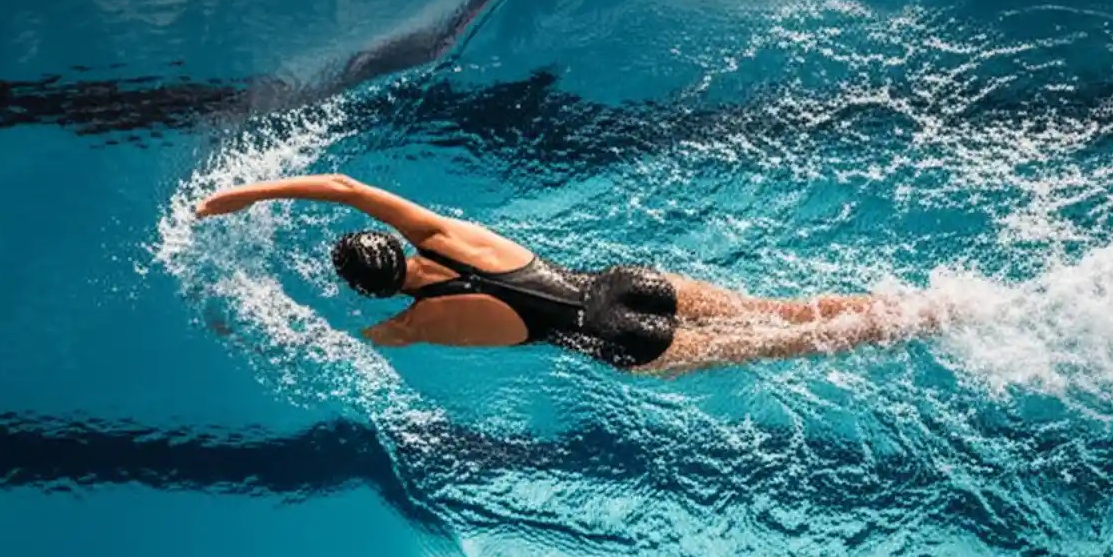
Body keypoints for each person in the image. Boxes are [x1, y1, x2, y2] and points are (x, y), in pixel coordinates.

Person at [195, 174, 940, 374]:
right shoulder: (445, 234)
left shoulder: (413, 325)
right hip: (623, 285)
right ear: (392, 244)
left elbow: (330, 347)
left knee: (783, 347)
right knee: (775, 309)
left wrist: (242, 333)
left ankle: (925, 326)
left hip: (617, 347)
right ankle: (930, 304)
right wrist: (248, 194)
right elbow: (348, 187)